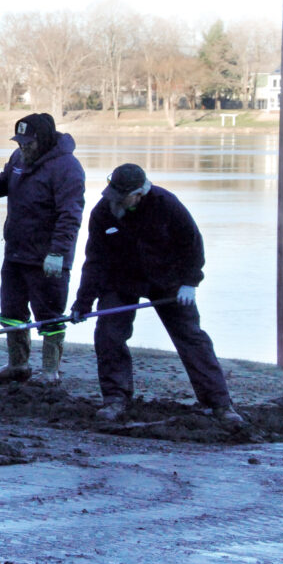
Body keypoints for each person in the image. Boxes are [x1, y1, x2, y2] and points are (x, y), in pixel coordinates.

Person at [69, 163, 244, 423]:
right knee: (108, 335)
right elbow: (95, 260)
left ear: (139, 193)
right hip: (121, 280)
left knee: (191, 338)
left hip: (168, 282)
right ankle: (115, 399)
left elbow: (192, 245)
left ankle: (219, 404)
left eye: (122, 197)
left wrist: (190, 283)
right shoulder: (103, 212)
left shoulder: (167, 205)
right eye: (113, 194)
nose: (115, 201)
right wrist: (82, 303)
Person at [0, 113, 85, 385]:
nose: (23, 148)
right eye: (19, 142)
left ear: (43, 140)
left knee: (50, 316)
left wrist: (57, 253)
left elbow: (70, 215)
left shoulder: (67, 168)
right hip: (16, 251)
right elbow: (4, 183)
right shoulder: (18, 159)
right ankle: (17, 365)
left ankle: (50, 372)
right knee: (11, 311)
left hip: (48, 257)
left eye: (28, 143)